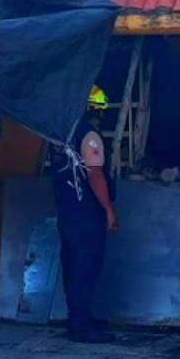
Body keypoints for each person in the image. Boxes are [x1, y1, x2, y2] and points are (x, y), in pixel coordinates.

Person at [49, 85, 119, 344]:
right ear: (94, 110)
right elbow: (95, 173)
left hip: (68, 211)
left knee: (73, 265)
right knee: (85, 267)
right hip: (87, 213)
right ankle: (80, 325)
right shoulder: (90, 136)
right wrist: (109, 209)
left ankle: (80, 318)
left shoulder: (62, 135)